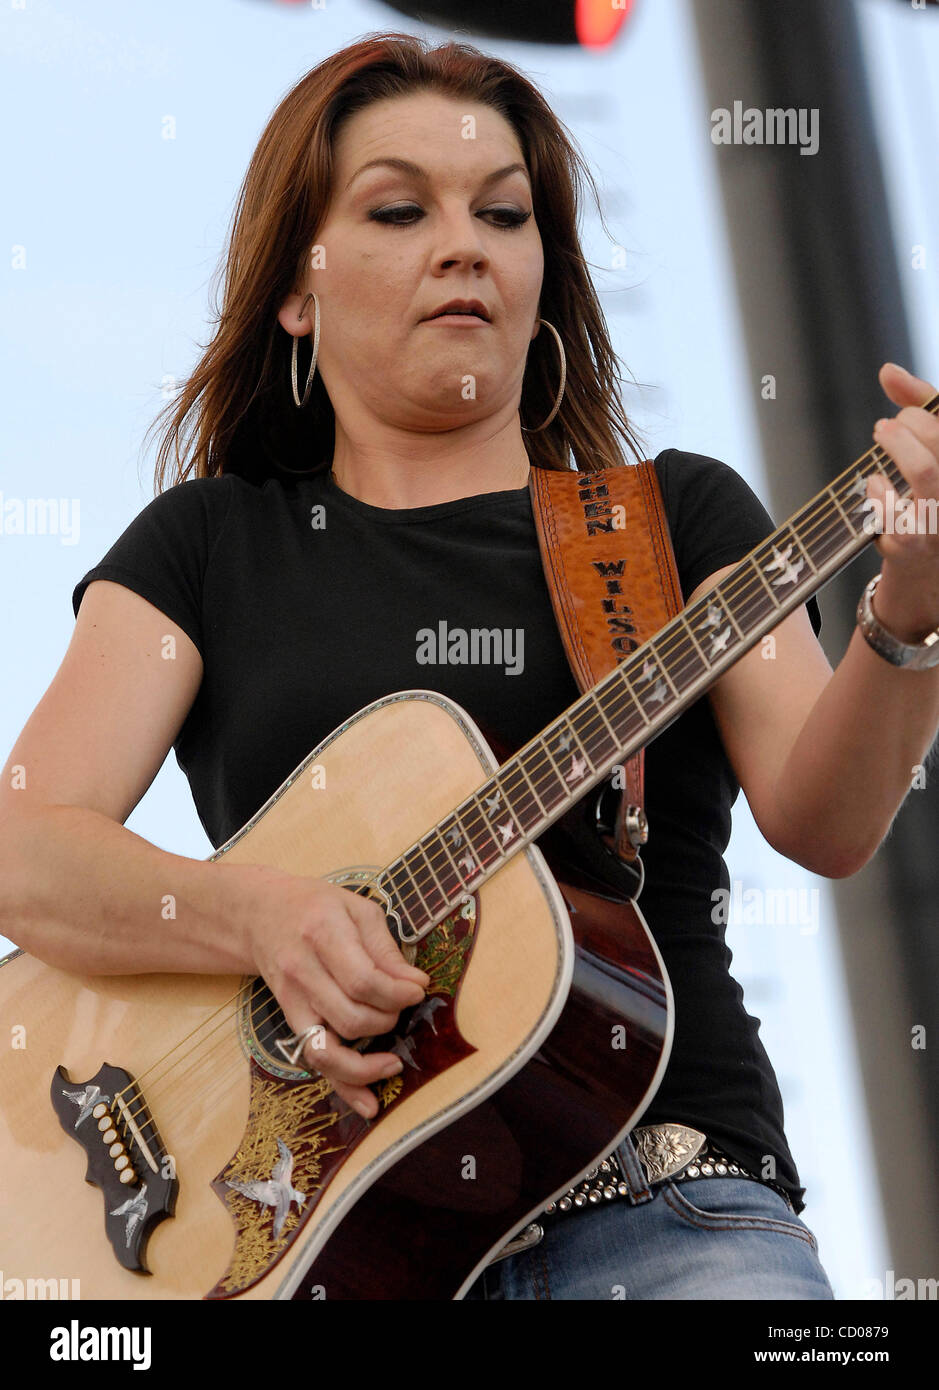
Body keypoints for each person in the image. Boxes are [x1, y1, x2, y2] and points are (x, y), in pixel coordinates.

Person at [2, 32, 938, 1302]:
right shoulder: (209, 545)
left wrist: (909, 616)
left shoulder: (673, 522)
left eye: (505, 212)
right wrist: (267, 920)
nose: (466, 244)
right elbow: (27, 848)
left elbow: (825, 824)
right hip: (322, 1249)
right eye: (400, 209)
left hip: (672, 1217)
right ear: (298, 287)